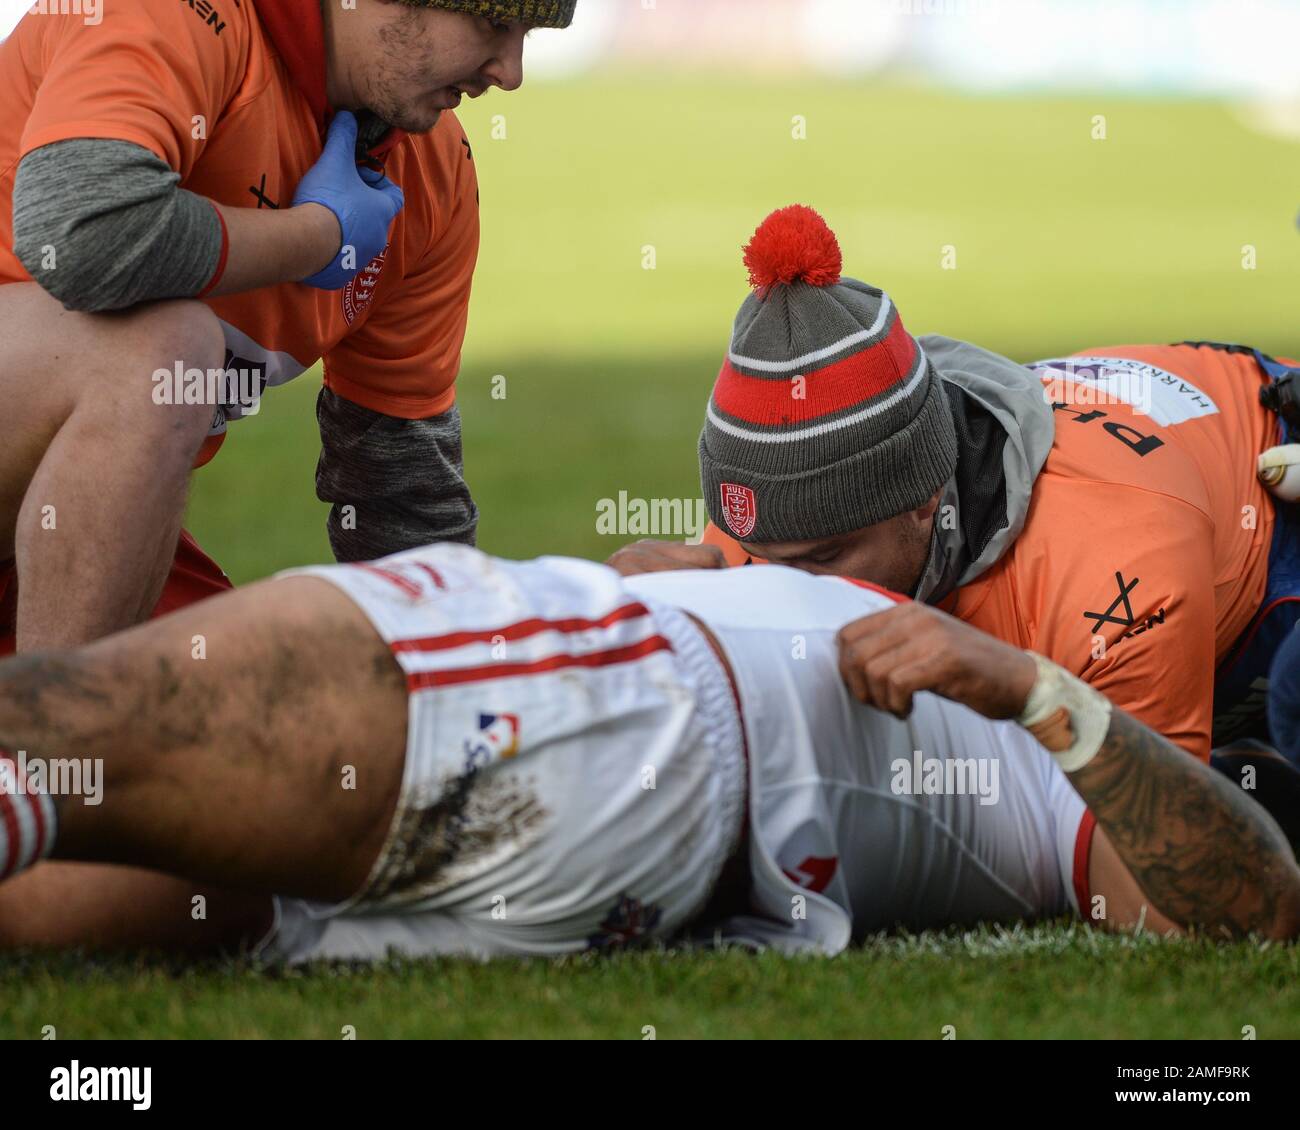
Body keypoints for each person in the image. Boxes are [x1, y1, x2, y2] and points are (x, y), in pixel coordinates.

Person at [1, 543, 1296, 960]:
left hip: (621, 717)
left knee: (71, 724)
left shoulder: (1050, 763)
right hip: (601, 773)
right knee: (67, 845)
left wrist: (1045, 696)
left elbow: (1254, 904)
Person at [620, 204, 1300, 770]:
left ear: (925, 499)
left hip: (1272, 514)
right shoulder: (762, 539)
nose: (782, 591)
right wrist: (617, 644)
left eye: (823, 562)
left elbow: (1164, 869)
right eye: (757, 558)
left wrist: (1022, 693)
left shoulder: (1117, 562)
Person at [0, 0, 577, 655]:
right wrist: (317, 237)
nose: (512, 73)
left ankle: (60, 734)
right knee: (165, 352)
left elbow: (400, 488)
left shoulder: (432, 170)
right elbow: (82, 234)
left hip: (66, 545)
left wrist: (461, 693)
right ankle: (56, 741)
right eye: (495, 25)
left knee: (277, 726)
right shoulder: (182, 15)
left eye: (529, 35)